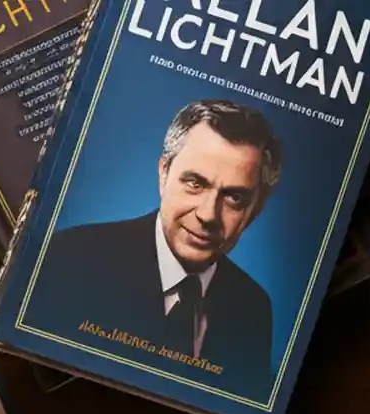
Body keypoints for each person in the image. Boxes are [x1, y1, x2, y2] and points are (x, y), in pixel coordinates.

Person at [31, 99, 281, 398]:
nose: (208, 215)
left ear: (257, 207)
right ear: (164, 173)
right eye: (195, 183)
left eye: (234, 198)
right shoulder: (68, 259)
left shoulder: (253, 308)